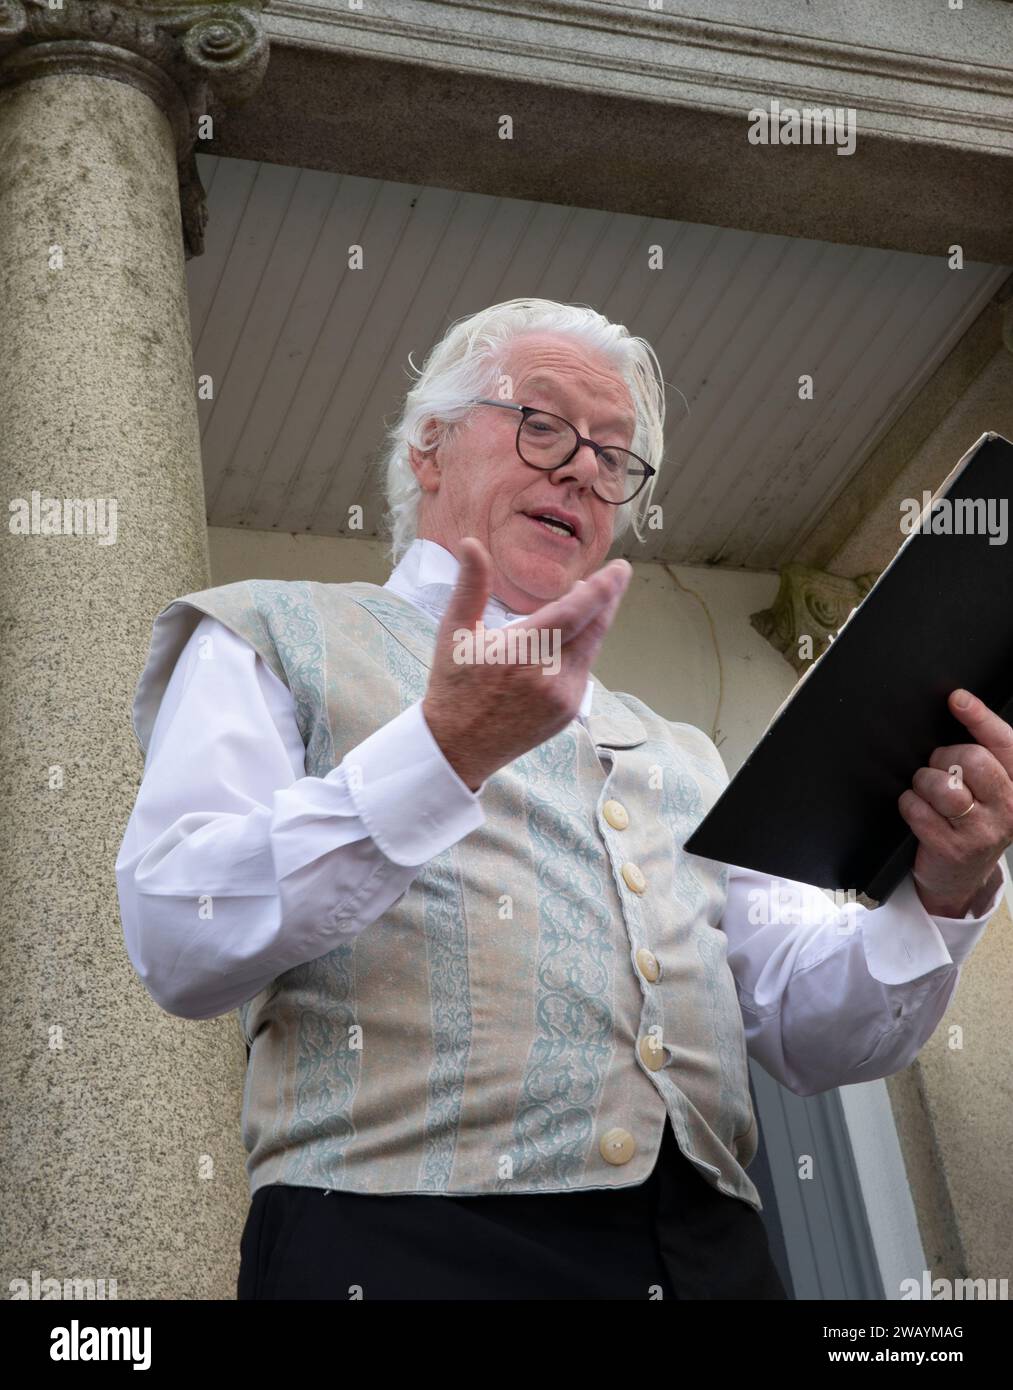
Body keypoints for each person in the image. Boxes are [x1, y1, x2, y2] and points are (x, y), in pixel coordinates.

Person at [116, 298, 1011, 1300]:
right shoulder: (267, 631)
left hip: (709, 1258)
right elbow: (175, 929)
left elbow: (808, 1027)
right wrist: (436, 755)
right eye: (540, 424)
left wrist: (941, 887)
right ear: (428, 451)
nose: (584, 467)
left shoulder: (678, 752)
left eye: (613, 455)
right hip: (398, 1243)